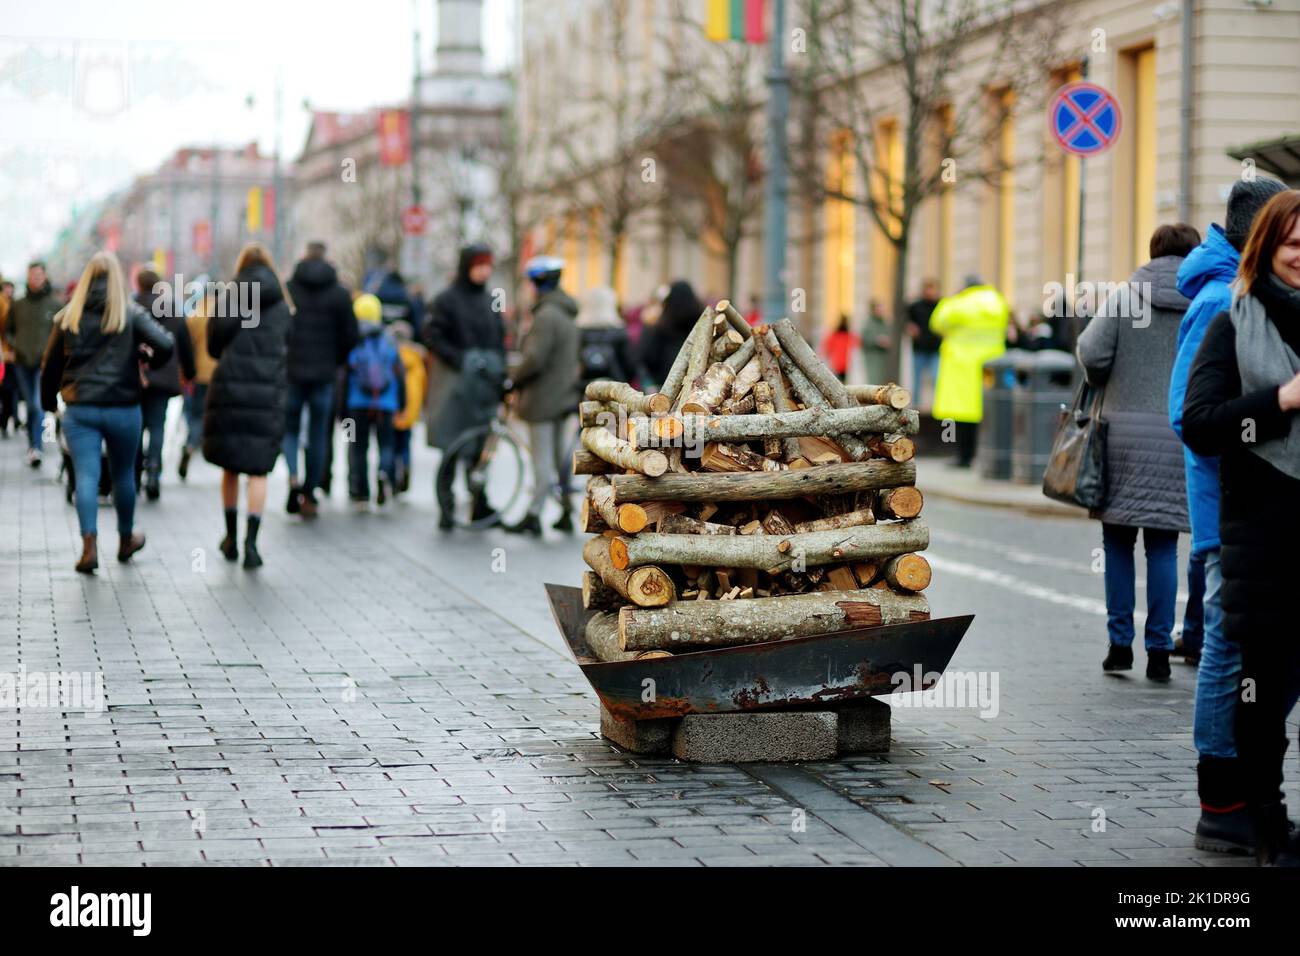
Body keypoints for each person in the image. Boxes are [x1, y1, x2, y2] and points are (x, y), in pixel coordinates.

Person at [1169, 177, 1288, 855]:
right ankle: (1225, 800)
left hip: (1270, 518)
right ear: (1259, 238)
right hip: (1232, 519)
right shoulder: (1223, 301)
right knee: (1227, 651)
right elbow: (1189, 419)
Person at [1077, 224, 1199, 683]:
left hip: (1121, 437)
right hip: (1177, 435)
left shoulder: (1127, 295)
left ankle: (1119, 645)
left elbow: (1091, 352)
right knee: (1164, 546)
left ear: (1152, 253)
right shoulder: (1201, 298)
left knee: (1117, 544)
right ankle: (1160, 649)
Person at [39, 251, 174, 573]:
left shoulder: (66, 317)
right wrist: (147, 358)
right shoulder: (129, 314)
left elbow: (50, 367)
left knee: (86, 475)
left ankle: (89, 546)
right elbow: (166, 344)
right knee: (124, 474)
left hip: (80, 409)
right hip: (123, 408)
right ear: (116, 279)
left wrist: (48, 404)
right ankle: (126, 539)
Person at [203, 243, 292, 570]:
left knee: (230, 465)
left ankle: (230, 537)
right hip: (267, 392)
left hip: (231, 388)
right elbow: (288, 348)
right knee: (258, 469)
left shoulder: (231, 297)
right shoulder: (282, 305)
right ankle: (251, 544)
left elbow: (213, 346)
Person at [423, 243, 506, 530]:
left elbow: (498, 337)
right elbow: (433, 335)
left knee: (480, 448)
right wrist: (460, 360)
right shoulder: (446, 300)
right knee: (452, 445)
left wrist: (500, 374)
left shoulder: (490, 300)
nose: (484, 271)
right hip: (456, 386)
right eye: (479, 265)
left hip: (484, 384)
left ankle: (478, 505)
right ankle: (445, 507)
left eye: (487, 265)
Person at [503, 256, 580, 537]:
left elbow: (534, 358)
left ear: (537, 284)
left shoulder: (546, 316)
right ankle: (567, 512)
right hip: (562, 396)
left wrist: (513, 378)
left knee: (542, 460)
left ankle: (534, 514)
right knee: (560, 459)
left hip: (543, 398)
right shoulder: (567, 314)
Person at [283, 241, 358, 518]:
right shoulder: (339, 294)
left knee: (290, 430)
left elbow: (282, 328)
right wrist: (334, 360)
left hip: (292, 372)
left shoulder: (290, 289)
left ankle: (292, 476)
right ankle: (310, 491)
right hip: (324, 374)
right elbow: (351, 335)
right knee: (318, 434)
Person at [929, 276, 1009, 467]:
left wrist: (952, 298)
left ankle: (964, 457)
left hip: (961, 364)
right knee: (989, 410)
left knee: (962, 414)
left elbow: (937, 322)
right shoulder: (998, 302)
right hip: (991, 364)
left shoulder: (959, 304)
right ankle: (988, 454)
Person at [133, 268, 196, 501]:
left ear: (138, 284)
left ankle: (135, 472)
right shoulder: (173, 309)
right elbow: (185, 343)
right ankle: (153, 473)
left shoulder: (131, 307)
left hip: (136, 376)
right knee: (158, 426)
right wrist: (189, 373)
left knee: (137, 426)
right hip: (164, 375)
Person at [342, 294, 406, 507]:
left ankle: (359, 490)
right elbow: (399, 373)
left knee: (357, 446)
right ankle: (382, 473)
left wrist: (342, 408)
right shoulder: (389, 340)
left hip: (357, 403)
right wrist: (402, 402)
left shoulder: (352, 340)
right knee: (386, 444)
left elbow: (345, 374)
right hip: (386, 403)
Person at [8, 261, 63, 466]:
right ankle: (33, 442)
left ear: (45, 276)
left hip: (44, 364)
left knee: (37, 403)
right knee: (31, 405)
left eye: (39, 275)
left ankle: (37, 447)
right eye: (32, 275)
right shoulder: (18, 304)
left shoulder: (55, 305)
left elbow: (61, 334)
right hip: (22, 361)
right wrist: (14, 346)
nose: (35, 279)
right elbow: (8, 329)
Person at [180, 279, 218, 480]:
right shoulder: (223, 313)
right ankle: (202, 443)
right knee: (213, 413)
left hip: (198, 374)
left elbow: (188, 345)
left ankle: (190, 444)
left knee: (195, 414)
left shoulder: (195, 315)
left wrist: (186, 373)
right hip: (218, 375)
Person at [637, 280, 700, 390]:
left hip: (664, 386)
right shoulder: (701, 325)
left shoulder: (659, 327)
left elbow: (646, 358)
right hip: (694, 388)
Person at [389, 320, 427, 495]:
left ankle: (390, 476)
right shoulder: (416, 357)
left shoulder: (390, 356)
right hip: (411, 409)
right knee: (405, 444)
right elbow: (423, 384)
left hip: (392, 406)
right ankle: (405, 468)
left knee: (390, 444)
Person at [576, 285, 634, 394]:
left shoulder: (577, 332)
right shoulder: (619, 332)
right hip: (616, 390)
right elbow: (630, 366)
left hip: (582, 390)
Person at [906, 279, 942, 409]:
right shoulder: (915, 306)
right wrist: (910, 328)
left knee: (936, 378)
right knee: (917, 379)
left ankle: (937, 404)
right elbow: (906, 321)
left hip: (935, 349)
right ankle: (916, 405)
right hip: (919, 348)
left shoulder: (941, 305)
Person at [821, 314, 860, 383]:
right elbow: (857, 343)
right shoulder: (848, 335)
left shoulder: (835, 335)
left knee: (837, 381)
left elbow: (827, 346)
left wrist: (826, 355)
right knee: (843, 381)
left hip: (837, 362)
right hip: (845, 362)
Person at [861, 300, 891, 384]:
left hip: (883, 358)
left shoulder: (884, 322)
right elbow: (863, 339)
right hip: (872, 357)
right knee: (873, 380)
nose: (881, 311)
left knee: (882, 381)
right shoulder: (868, 323)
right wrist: (877, 340)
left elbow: (890, 335)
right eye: (879, 309)